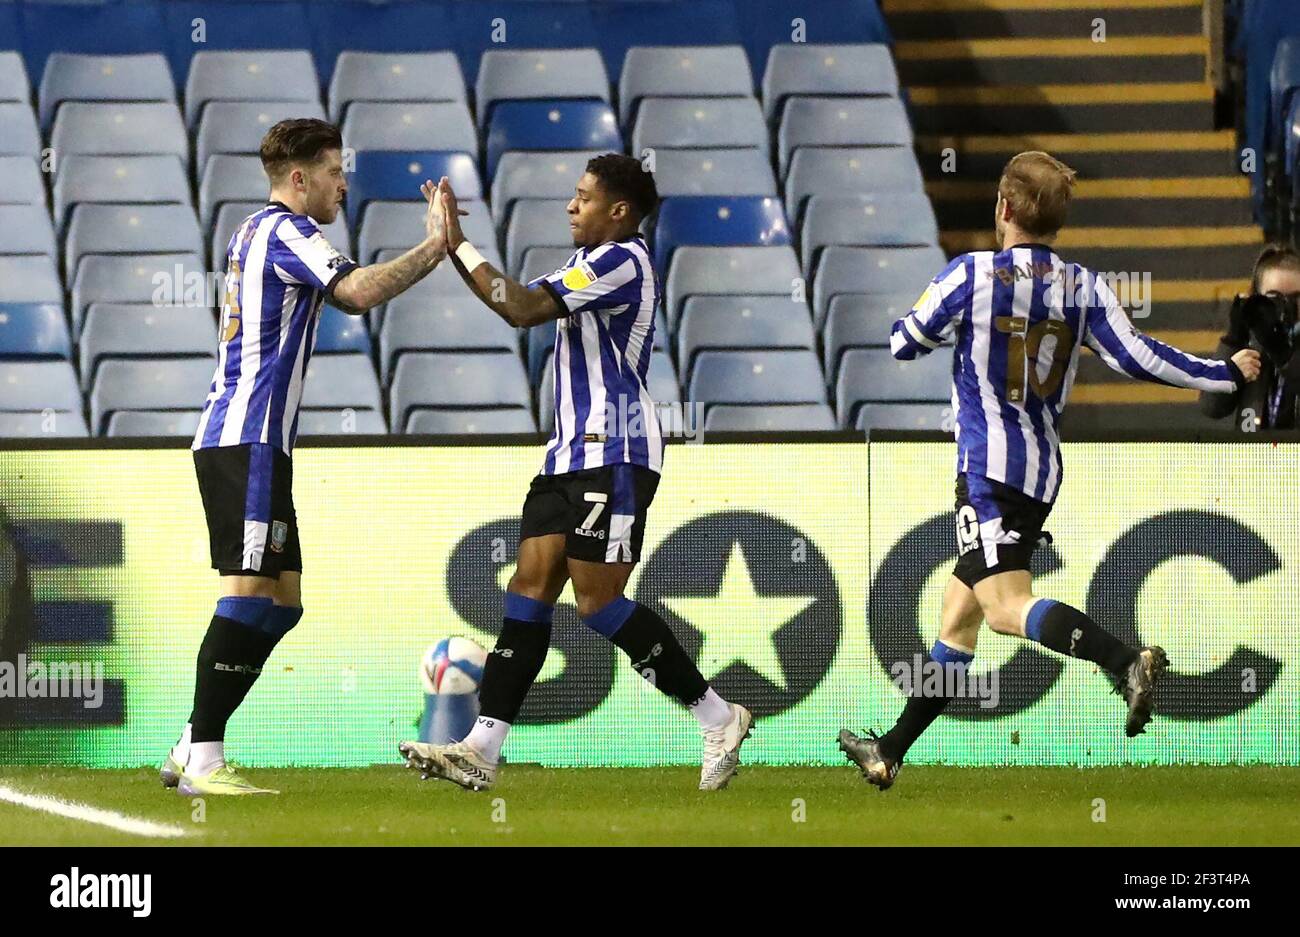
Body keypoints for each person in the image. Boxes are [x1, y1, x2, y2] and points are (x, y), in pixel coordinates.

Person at [839, 151, 1262, 790]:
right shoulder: (1084, 287)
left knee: (1006, 607)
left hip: (985, 471)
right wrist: (1223, 371)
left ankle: (1125, 661)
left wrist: (925, 324)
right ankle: (889, 750)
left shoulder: (971, 274)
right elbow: (1141, 359)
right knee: (960, 614)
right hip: (1040, 473)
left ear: (1004, 208)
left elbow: (905, 341)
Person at [398, 154, 753, 792]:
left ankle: (719, 715)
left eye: (584, 197)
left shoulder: (623, 261)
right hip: (567, 455)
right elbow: (514, 297)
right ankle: (482, 747)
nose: (571, 205)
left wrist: (457, 243)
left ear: (618, 211)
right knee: (528, 588)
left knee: (597, 601)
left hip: (615, 451)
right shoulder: (582, 264)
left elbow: (523, 309)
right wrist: (454, 248)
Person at [161, 118, 452, 795]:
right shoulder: (288, 231)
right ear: (300, 178)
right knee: (248, 587)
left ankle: (189, 740)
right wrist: (436, 245)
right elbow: (356, 293)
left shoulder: (251, 231)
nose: (342, 184)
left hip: (257, 441)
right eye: (331, 171)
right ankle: (203, 756)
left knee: (283, 600)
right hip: (248, 438)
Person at [1199, 244, 1300, 429]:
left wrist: (1283, 354)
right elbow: (1212, 407)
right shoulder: (1252, 348)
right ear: (1259, 300)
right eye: (1275, 299)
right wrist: (1234, 338)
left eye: (1296, 299)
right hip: (1254, 455)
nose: (1286, 308)